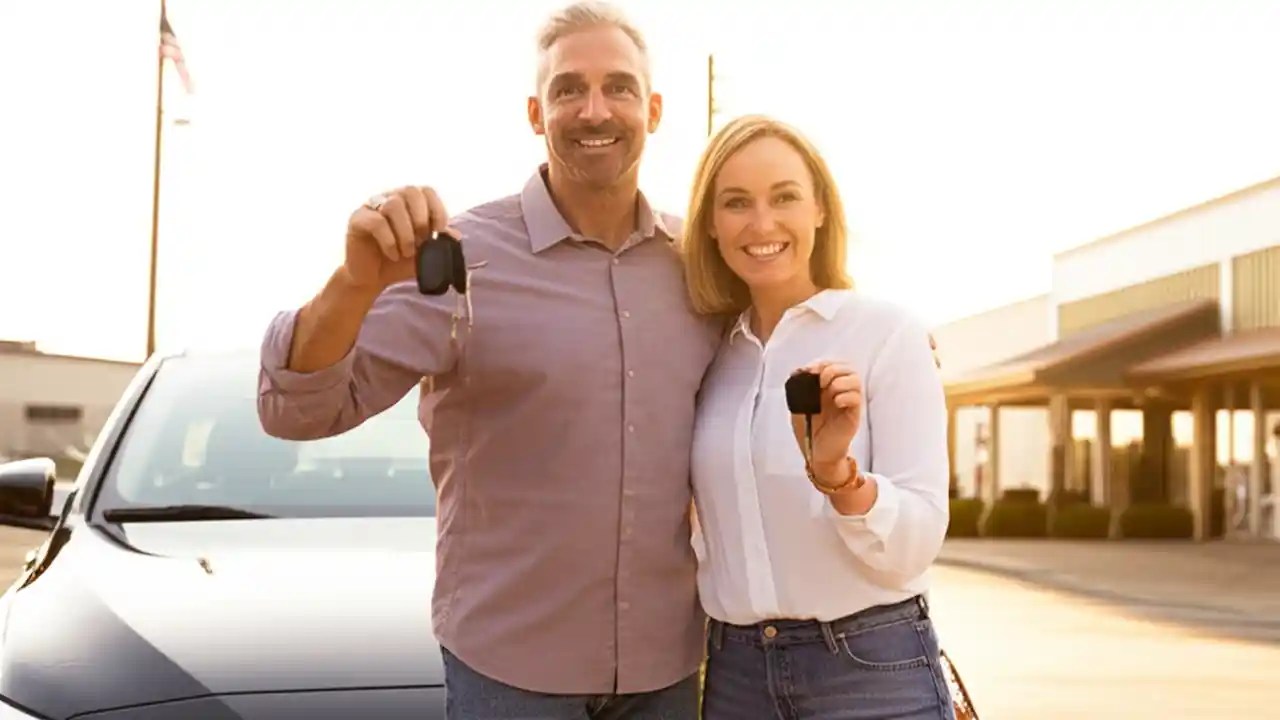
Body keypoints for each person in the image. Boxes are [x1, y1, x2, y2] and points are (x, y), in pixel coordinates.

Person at [256, 2, 722, 717]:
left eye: (618, 87)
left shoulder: (699, 267)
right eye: (568, 89)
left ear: (653, 109)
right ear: (537, 114)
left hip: (665, 668)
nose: (594, 109)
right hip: (509, 673)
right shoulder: (457, 257)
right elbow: (298, 408)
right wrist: (353, 281)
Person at [681, 114, 956, 718]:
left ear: (820, 210)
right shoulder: (706, 354)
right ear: (709, 227)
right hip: (736, 676)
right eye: (735, 203)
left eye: (785, 198)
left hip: (868, 669)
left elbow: (917, 541)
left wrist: (838, 476)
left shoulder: (887, 334)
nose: (762, 224)